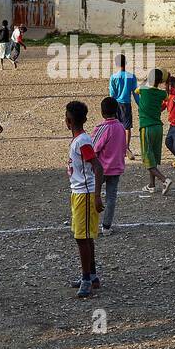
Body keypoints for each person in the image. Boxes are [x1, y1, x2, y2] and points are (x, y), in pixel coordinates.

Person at [65, 100, 105, 298]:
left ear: (68, 121)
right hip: (79, 193)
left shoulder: (82, 141)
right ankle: (92, 276)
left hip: (86, 194)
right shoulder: (78, 140)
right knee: (85, 236)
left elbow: (98, 167)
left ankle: (86, 279)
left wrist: (97, 196)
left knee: (81, 238)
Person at [91, 96, 127, 236]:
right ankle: (106, 226)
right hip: (116, 168)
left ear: (102, 112)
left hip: (102, 169)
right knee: (111, 197)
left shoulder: (102, 128)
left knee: (94, 194)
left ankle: (91, 223)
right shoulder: (121, 128)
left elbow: (93, 148)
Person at [135, 68, 172, 195]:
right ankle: (151, 185)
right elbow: (167, 95)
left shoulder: (143, 90)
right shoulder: (162, 94)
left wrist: (146, 79)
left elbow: (137, 89)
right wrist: (167, 82)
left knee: (147, 157)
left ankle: (164, 180)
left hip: (147, 127)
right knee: (153, 157)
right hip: (158, 128)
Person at [107, 54, 139, 162]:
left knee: (115, 126)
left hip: (115, 104)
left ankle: (116, 148)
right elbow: (135, 94)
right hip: (126, 104)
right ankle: (126, 148)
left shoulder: (113, 77)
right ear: (125, 63)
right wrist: (140, 105)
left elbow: (112, 94)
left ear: (116, 64)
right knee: (127, 127)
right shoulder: (131, 76)